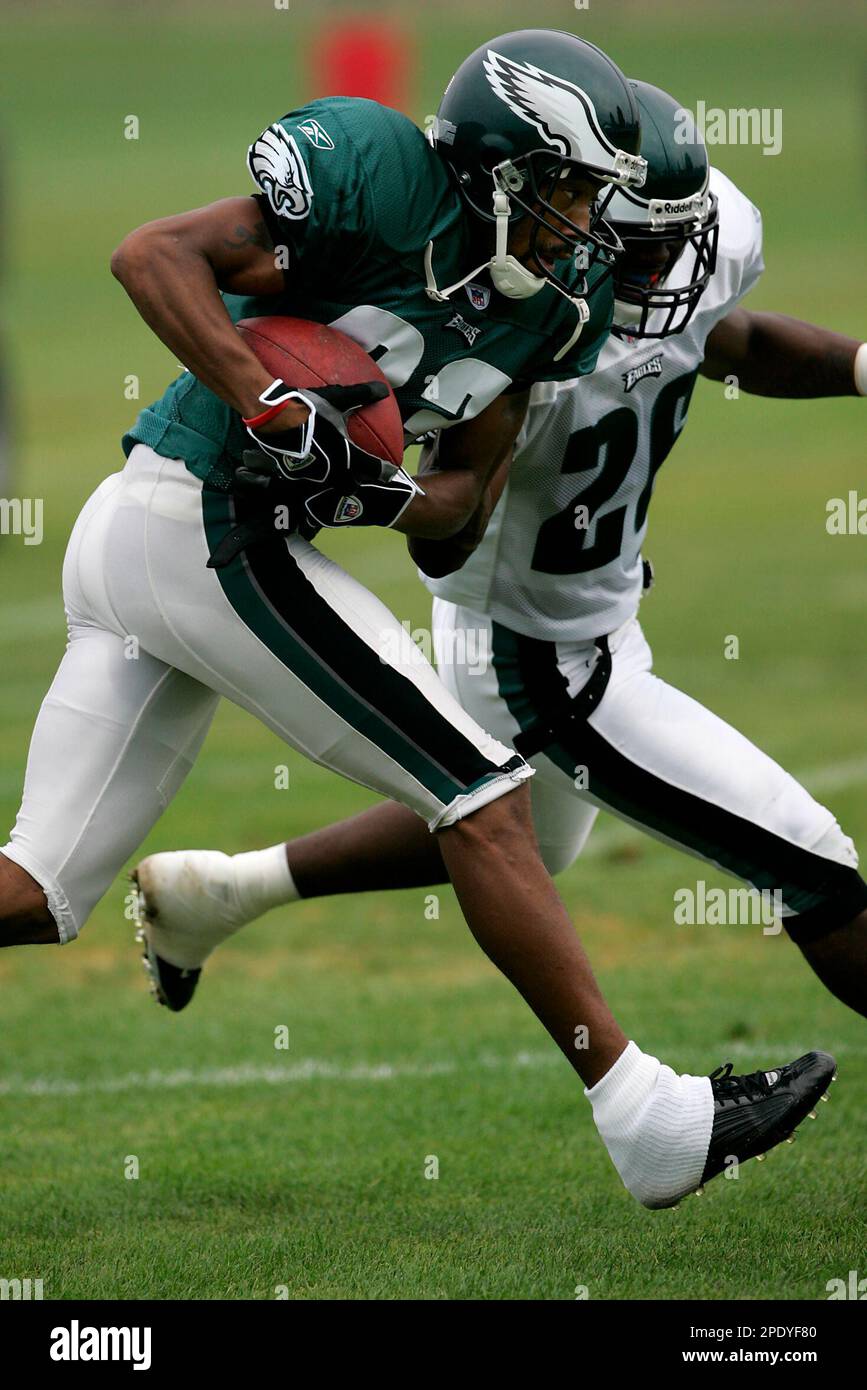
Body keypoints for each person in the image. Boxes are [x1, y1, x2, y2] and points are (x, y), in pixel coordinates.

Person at [0, 38, 835, 1210]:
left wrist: (376, 489)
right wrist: (268, 400)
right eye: (567, 189)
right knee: (486, 796)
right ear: (499, 172)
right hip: (191, 513)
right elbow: (152, 256)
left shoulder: (556, 307)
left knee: (35, 893)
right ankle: (647, 1117)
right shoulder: (381, 176)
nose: (586, 223)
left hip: (197, 539)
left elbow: (455, 515)